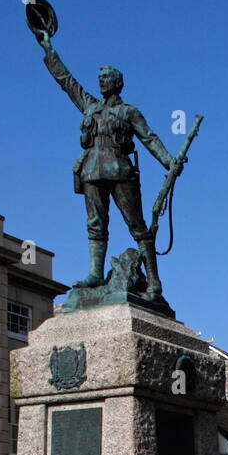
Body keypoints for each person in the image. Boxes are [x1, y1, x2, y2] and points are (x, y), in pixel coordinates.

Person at [37, 31, 178, 299]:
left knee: (137, 225)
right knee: (95, 224)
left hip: (120, 170)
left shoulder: (128, 112)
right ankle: (95, 274)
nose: (101, 80)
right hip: (91, 170)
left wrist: (169, 161)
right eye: (100, 77)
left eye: (107, 77)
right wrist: (48, 48)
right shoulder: (90, 106)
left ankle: (154, 283)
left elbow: (149, 138)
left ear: (118, 83)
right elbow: (67, 81)